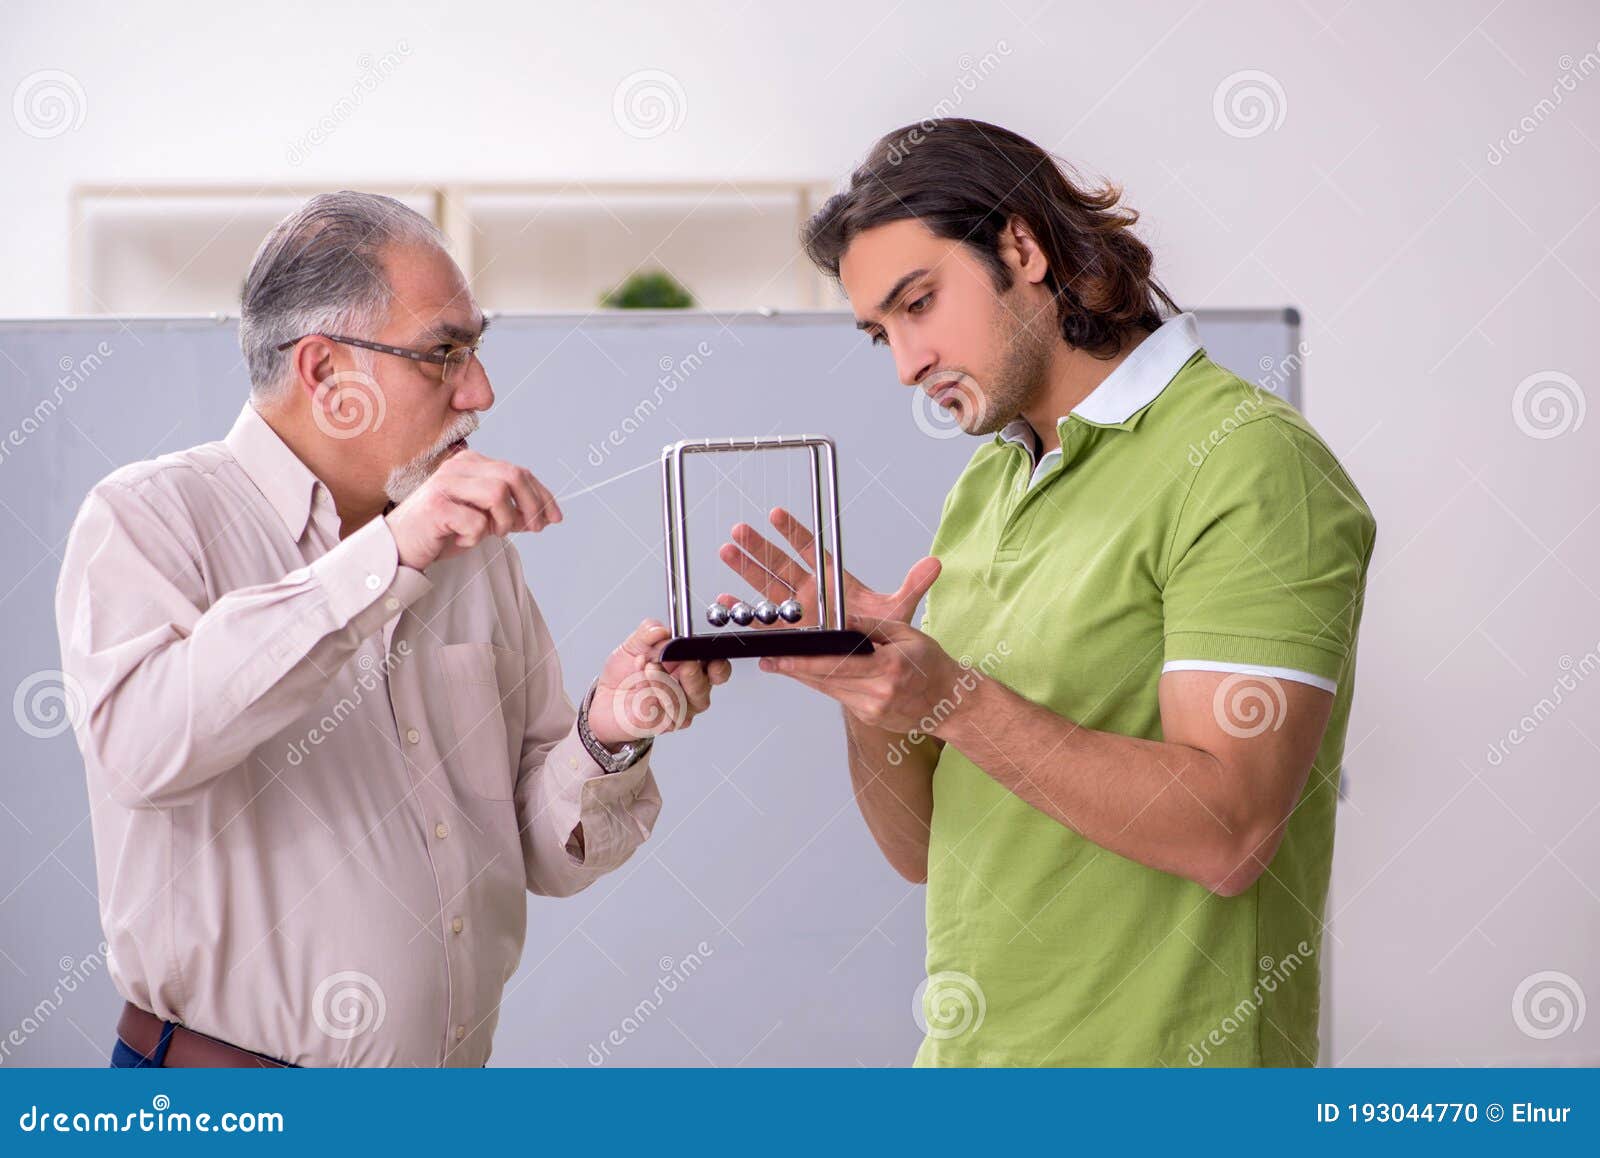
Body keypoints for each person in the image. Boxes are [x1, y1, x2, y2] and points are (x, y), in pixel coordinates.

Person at [719, 120, 1376, 1066]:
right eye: (881, 333)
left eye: (919, 303)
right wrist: (871, 693)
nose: (907, 363)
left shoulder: (1248, 461)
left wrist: (953, 697)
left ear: (1023, 248)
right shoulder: (990, 482)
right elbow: (922, 850)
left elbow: (1229, 834)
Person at [56, 191, 729, 1067]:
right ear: (324, 371)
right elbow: (142, 753)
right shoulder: (150, 517)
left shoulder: (473, 556)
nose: (480, 392)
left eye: (476, 349)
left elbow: (541, 853)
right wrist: (390, 555)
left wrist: (607, 733)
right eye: (443, 354)